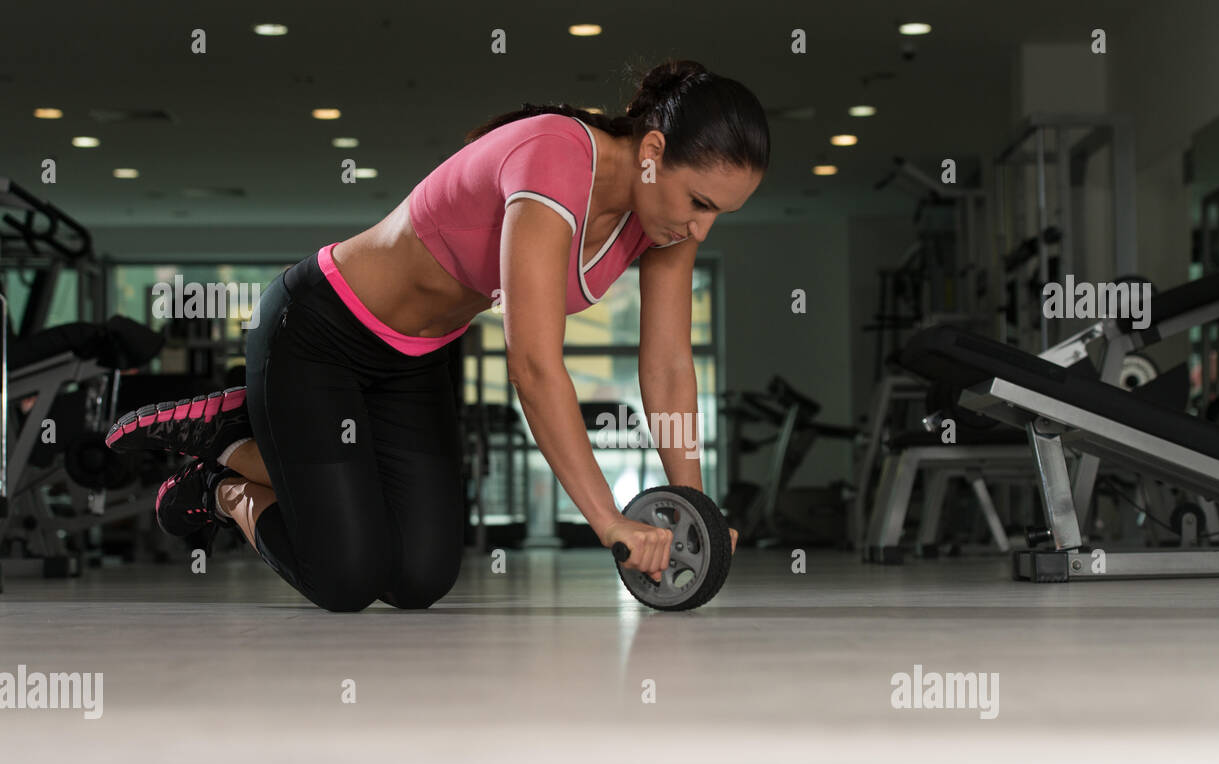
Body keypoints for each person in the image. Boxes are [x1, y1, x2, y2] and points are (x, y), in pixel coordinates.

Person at [105, 58, 769, 612]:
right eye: (701, 203)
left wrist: (694, 509)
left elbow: (670, 368)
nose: (702, 228)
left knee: (418, 578)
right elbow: (535, 367)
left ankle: (250, 441)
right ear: (653, 154)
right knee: (346, 578)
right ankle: (221, 478)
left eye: (720, 214)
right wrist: (610, 522)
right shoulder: (557, 158)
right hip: (316, 331)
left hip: (413, 359)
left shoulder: (665, 222)